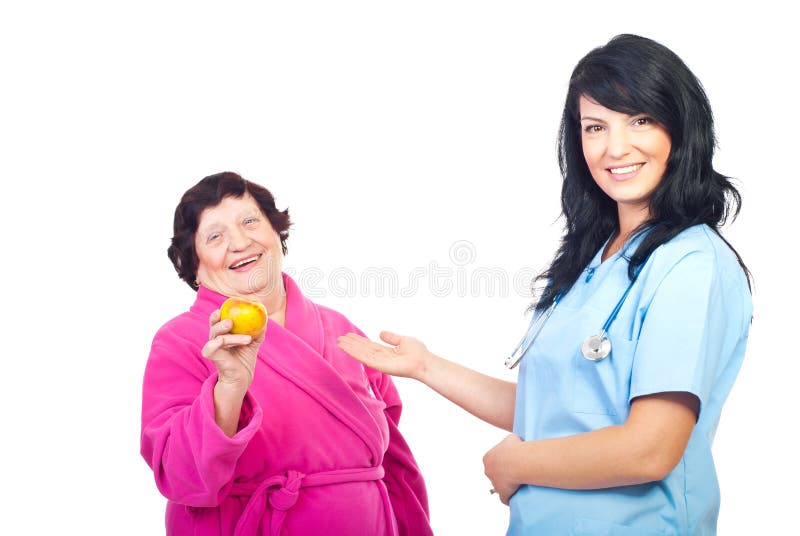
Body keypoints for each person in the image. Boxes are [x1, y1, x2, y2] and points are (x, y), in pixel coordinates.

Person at [338, 34, 752, 535]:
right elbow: (557, 410)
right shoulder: (595, 260)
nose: (615, 147)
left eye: (640, 119)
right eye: (595, 127)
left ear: (681, 128)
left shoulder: (691, 265)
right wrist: (425, 366)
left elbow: (650, 449)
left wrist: (517, 465)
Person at [140, 172, 433, 536]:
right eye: (215, 236)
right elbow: (183, 477)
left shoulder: (340, 328)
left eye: (249, 221)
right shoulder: (180, 341)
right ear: (193, 265)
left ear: (276, 233)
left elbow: (395, 462)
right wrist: (229, 387)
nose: (240, 241)